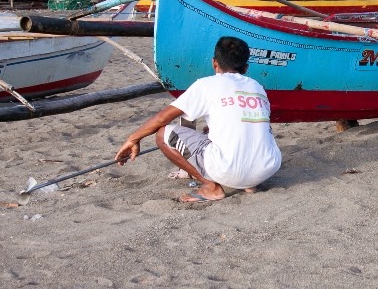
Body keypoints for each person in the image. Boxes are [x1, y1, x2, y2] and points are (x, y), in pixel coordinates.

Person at [115, 36, 281, 203]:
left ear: (214, 63)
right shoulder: (257, 86)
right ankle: (250, 184)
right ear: (246, 67)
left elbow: (163, 118)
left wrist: (133, 138)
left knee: (163, 134)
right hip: (267, 168)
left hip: (228, 170)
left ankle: (211, 187)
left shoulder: (206, 84)